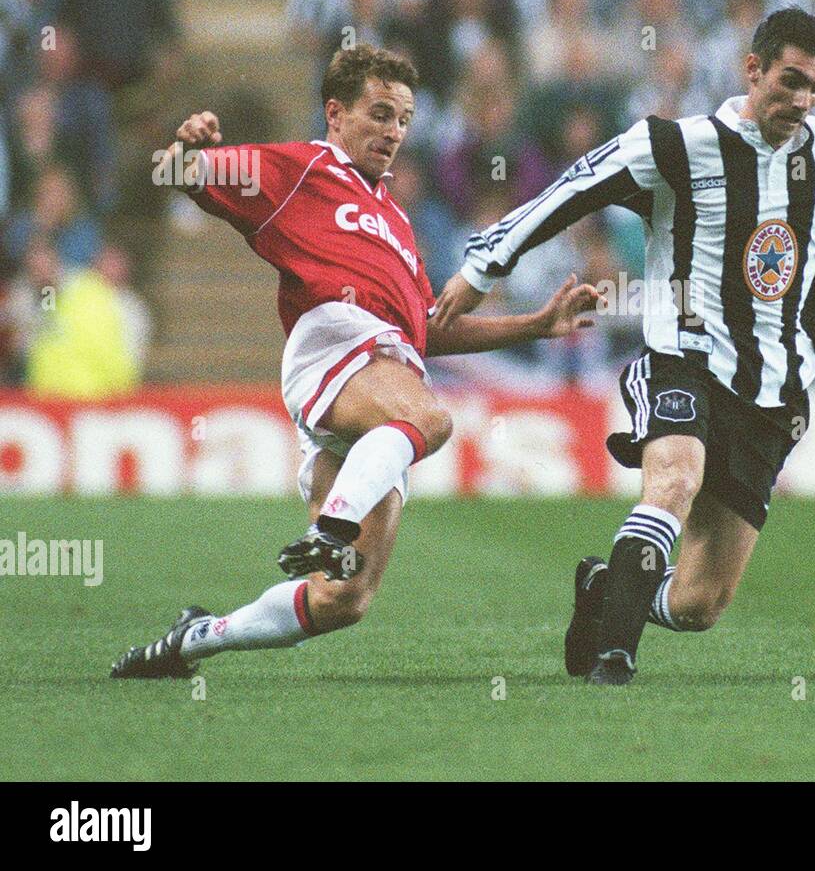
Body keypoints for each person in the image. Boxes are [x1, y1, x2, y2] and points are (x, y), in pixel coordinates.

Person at [435, 7, 815, 685]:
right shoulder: (671, 145)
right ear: (753, 69)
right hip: (684, 359)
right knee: (674, 479)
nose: (802, 100)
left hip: (774, 392)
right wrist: (479, 272)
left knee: (702, 602)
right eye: (790, 80)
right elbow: (569, 191)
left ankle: (604, 587)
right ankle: (615, 657)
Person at [110, 44, 596, 679]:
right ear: (336, 114)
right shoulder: (300, 169)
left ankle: (193, 639)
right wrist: (187, 148)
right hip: (333, 341)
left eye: (403, 121)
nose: (393, 132)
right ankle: (334, 527)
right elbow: (174, 174)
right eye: (381, 114)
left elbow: (426, 330)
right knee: (432, 420)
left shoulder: (395, 218)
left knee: (345, 599)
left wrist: (536, 325)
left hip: (383, 380)